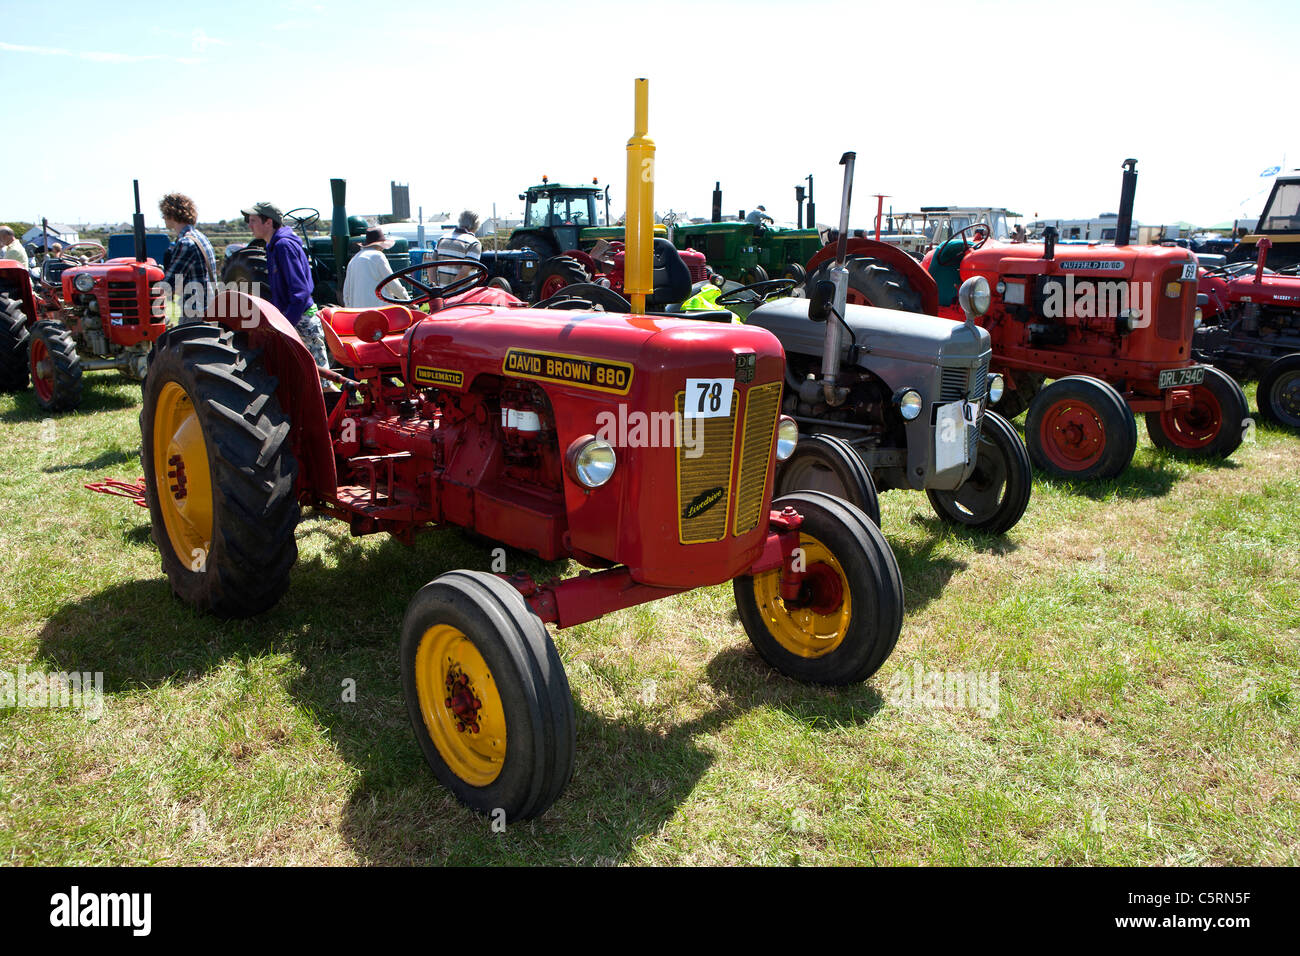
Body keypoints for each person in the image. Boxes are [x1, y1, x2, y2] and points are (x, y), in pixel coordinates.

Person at [242, 201, 329, 369]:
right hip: (292, 318)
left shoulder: (283, 246)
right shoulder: (272, 246)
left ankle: (346, 396)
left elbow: (300, 292)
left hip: (301, 320)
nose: (249, 226)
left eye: (253, 220)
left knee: (322, 381)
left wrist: (285, 324)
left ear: (268, 222)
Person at [158, 192, 217, 324]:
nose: (163, 217)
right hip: (208, 308)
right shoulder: (201, 237)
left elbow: (167, 285)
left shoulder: (185, 243)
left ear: (171, 214)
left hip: (194, 313)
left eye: (164, 213)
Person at [342, 226, 410, 308]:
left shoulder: (354, 259)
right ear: (380, 245)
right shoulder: (378, 256)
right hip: (379, 312)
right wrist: (407, 300)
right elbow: (392, 284)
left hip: (357, 314)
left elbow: (346, 292)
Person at [434, 210, 482, 287]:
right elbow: (464, 272)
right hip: (463, 295)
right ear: (476, 224)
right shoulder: (474, 243)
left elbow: (431, 267)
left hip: (441, 294)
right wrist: (449, 291)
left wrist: (435, 289)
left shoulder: (442, 239)